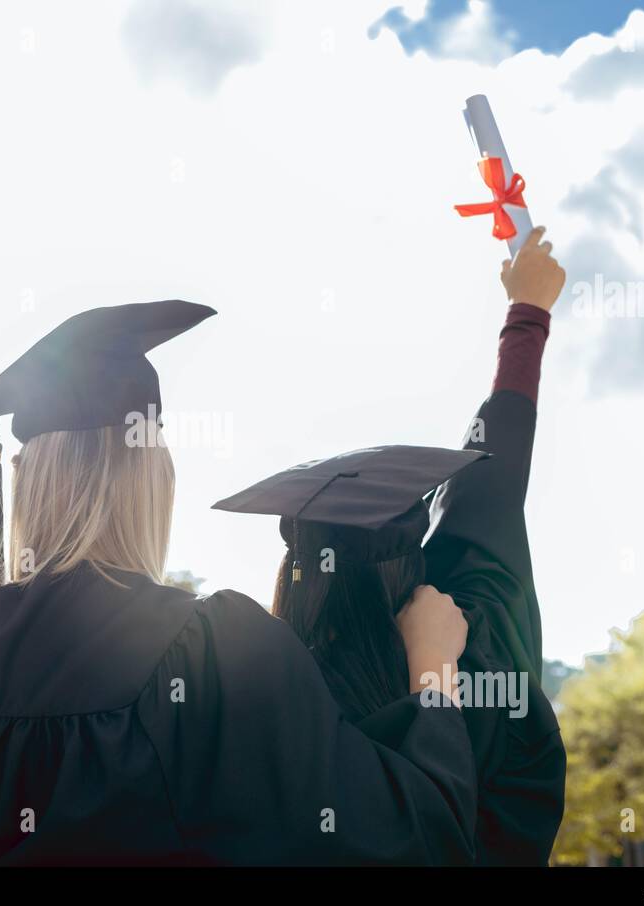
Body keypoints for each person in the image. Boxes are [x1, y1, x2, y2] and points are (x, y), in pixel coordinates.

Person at [0, 197, 479, 865]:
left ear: (28, 478)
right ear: (153, 481)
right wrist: (432, 668)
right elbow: (410, 839)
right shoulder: (217, 660)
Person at [213, 228, 568, 864]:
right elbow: (492, 481)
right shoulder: (476, 640)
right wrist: (527, 316)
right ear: (414, 555)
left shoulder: (268, 703)